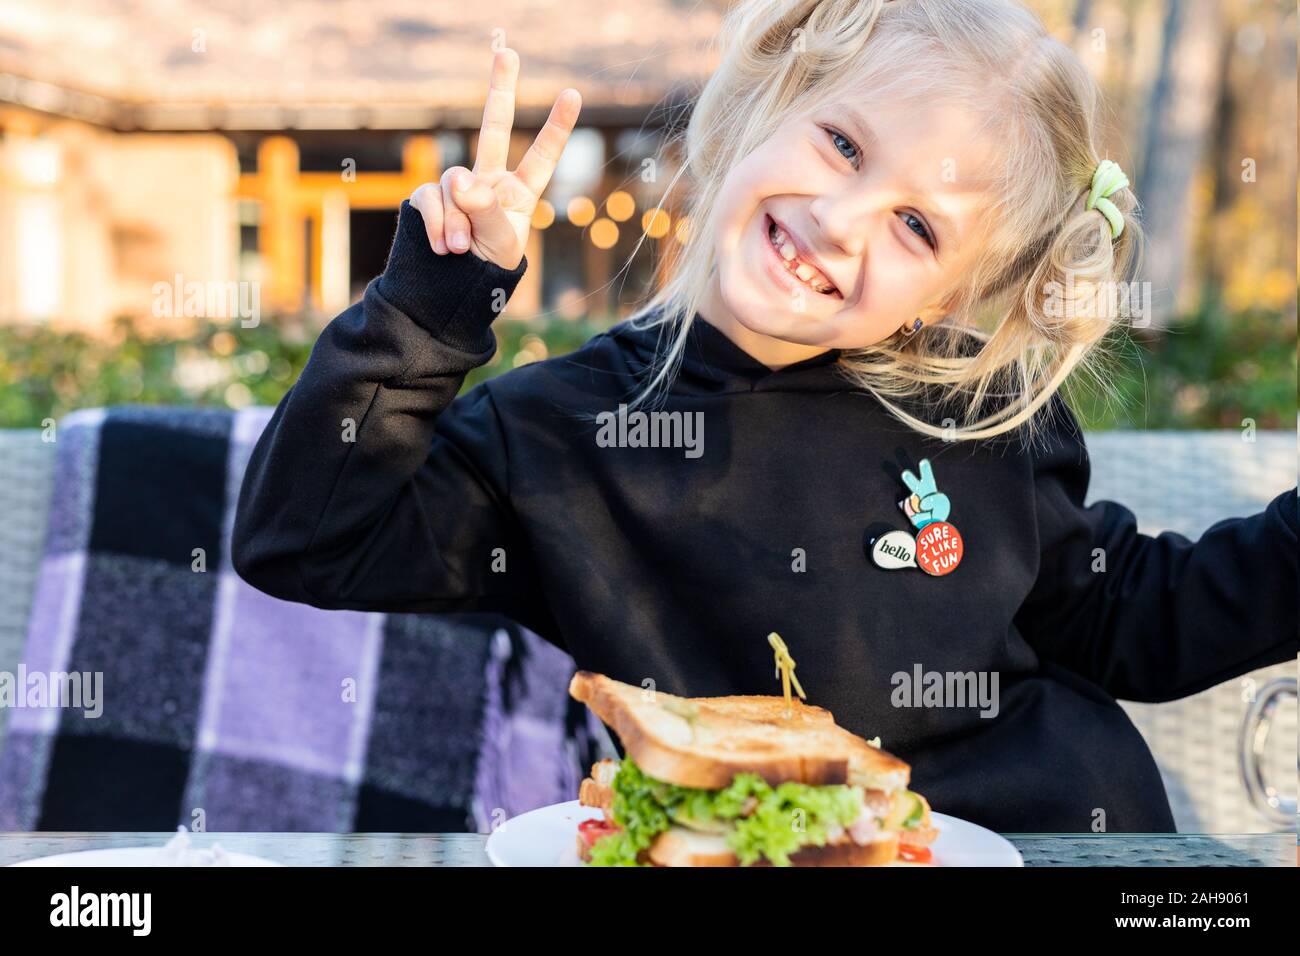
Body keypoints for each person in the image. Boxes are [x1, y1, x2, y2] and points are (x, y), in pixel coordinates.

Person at [232, 0, 1297, 833]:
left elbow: (1125, 620)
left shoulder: (970, 417)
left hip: (1044, 835)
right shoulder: (556, 434)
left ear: (954, 296)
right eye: (841, 144)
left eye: (917, 226)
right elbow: (306, 537)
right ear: (769, 99)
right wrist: (429, 303)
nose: (839, 223)